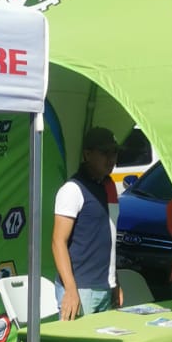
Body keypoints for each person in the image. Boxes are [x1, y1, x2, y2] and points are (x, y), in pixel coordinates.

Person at [52, 126, 122, 320]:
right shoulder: (72, 189)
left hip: (105, 288)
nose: (111, 159)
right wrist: (71, 289)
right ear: (87, 154)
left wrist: (115, 281)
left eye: (114, 152)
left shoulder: (109, 186)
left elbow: (108, 237)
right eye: (104, 153)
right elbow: (58, 242)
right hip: (80, 290)